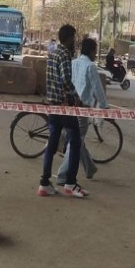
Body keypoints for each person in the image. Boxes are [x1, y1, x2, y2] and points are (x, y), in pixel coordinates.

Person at [38, 24, 88, 198]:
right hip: (64, 106)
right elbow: (66, 80)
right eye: (73, 38)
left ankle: (44, 183)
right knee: (75, 141)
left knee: (52, 144)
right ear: (68, 39)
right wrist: (76, 95)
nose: (74, 42)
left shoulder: (52, 54)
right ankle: (70, 183)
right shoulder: (65, 54)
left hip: (52, 104)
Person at [56, 37, 105, 183]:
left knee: (77, 140)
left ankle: (89, 167)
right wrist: (104, 105)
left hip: (70, 105)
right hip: (83, 108)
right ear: (91, 51)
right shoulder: (90, 66)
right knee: (75, 141)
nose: (95, 54)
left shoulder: (73, 63)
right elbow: (98, 89)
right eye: (95, 51)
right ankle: (63, 175)